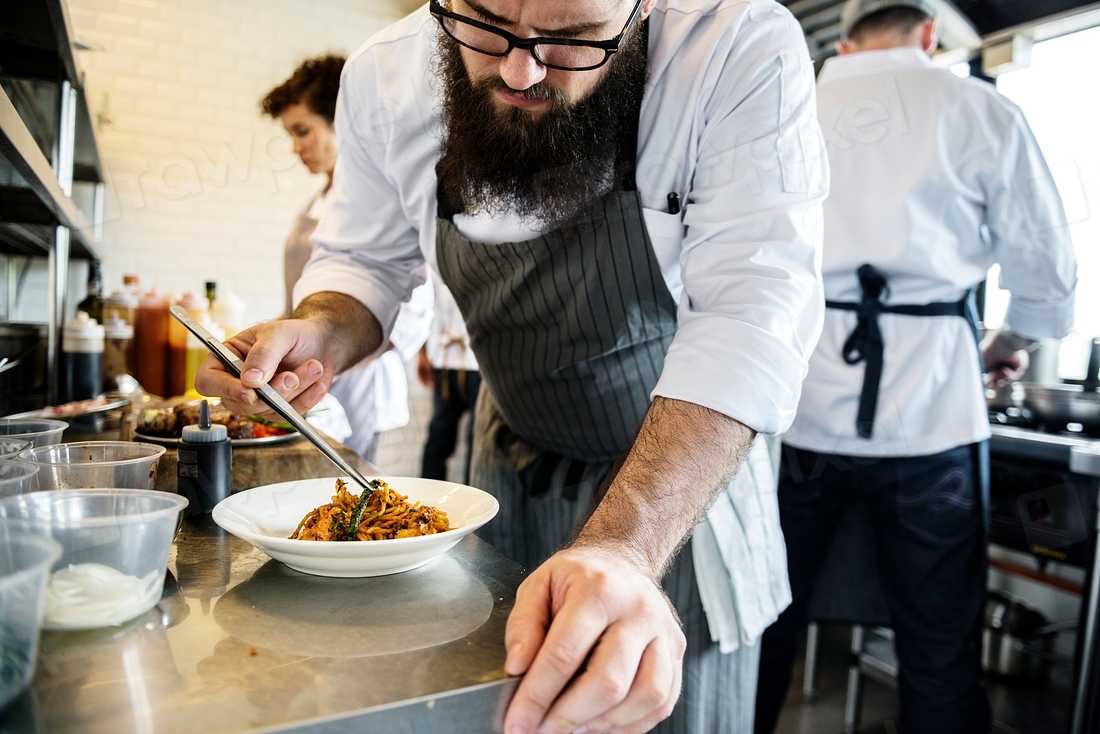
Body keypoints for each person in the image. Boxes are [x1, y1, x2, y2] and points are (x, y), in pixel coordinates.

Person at [199, 1, 828, 731]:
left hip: (675, 496)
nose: (520, 70)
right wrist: (320, 331)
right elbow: (363, 263)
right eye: (485, 20)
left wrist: (625, 548)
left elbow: (751, 314)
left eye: (571, 39)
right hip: (513, 471)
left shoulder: (737, 45)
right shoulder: (385, 73)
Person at [754, 2, 1078, 732]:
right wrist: (1006, 343)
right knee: (937, 649)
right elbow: (1048, 275)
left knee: (765, 624)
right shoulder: (978, 109)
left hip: (795, 417)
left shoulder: (786, 105)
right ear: (928, 33)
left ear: (843, 39)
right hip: (931, 422)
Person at [261, 55, 433, 462]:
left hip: (357, 377)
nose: (296, 146)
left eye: (304, 131)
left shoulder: (388, 199)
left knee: (345, 483)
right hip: (306, 369)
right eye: (290, 134)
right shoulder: (318, 200)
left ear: (342, 120)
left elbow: (414, 305)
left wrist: (337, 355)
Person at [418, 271, 481, 482]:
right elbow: (421, 308)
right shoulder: (436, 261)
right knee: (438, 438)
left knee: (478, 442)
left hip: (480, 365)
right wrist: (422, 354)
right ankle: (427, 497)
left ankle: (476, 501)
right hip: (445, 362)